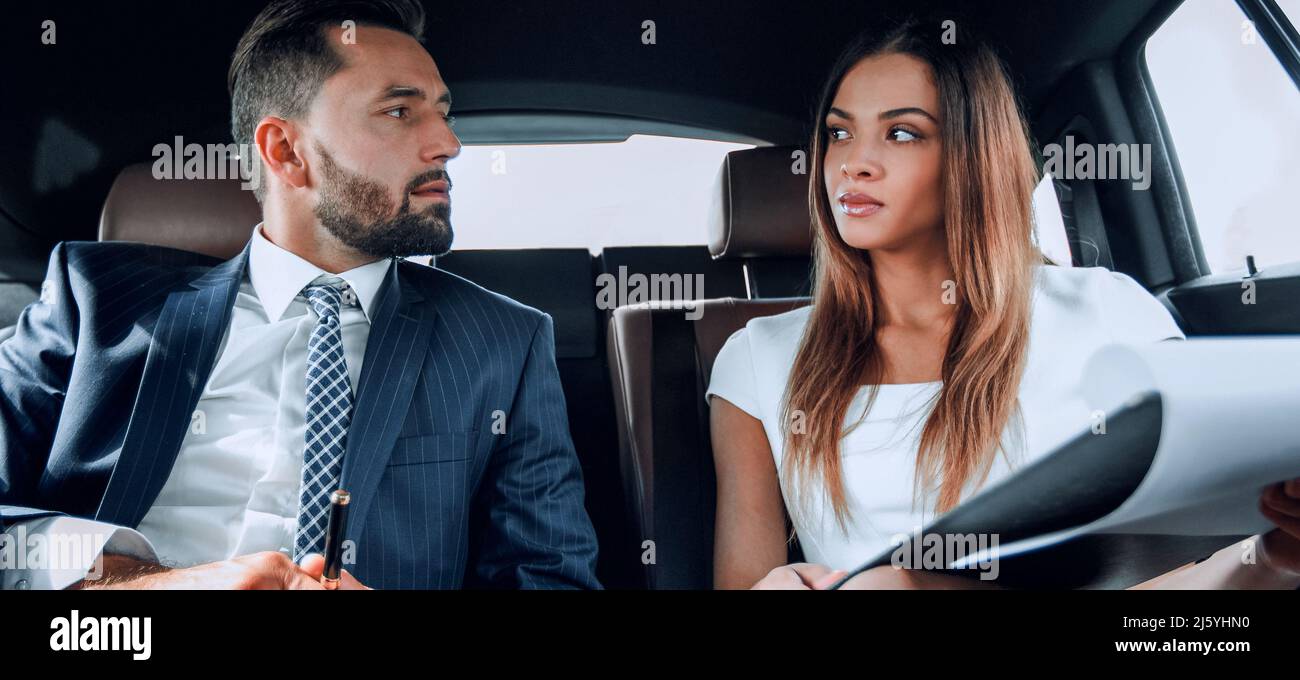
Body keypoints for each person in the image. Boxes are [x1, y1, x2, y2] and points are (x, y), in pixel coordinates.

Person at [0, 0, 599, 590]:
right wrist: (155, 586)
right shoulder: (95, 301)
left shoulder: (502, 340)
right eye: (398, 111)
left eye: (444, 113)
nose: (448, 143)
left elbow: (548, 577)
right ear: (285, 151)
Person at [706, 19, 1300, 590]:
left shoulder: (1107, 311)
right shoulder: (758, 360)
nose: (853, 161)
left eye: (902, 132)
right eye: (839, 132)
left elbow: (1175, 589)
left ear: (973, 158)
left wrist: (1274, 557)